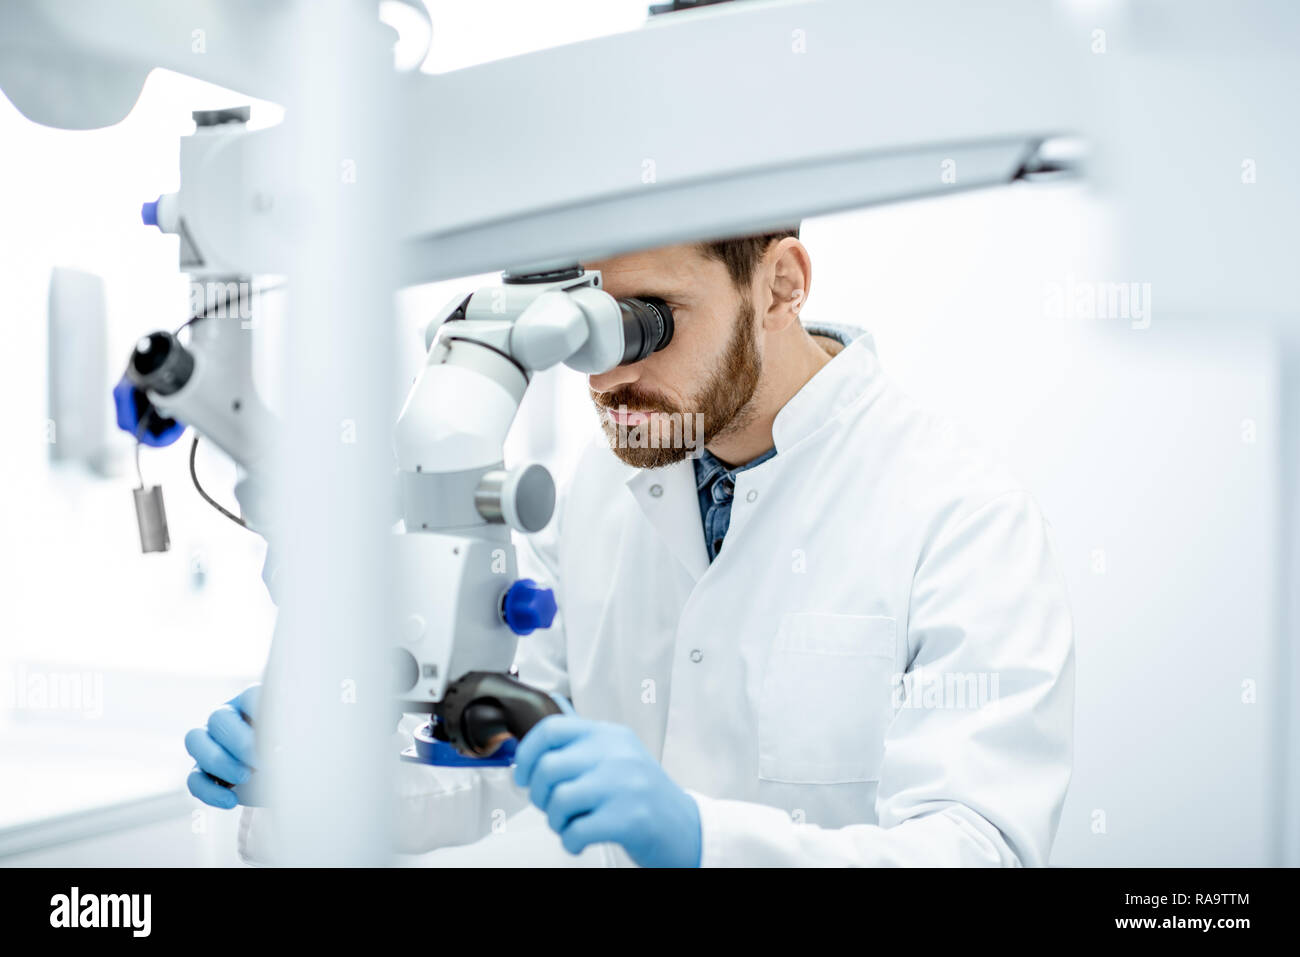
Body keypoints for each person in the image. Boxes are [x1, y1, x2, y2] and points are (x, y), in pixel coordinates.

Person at [188, 226, 1075, 867]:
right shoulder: (603, 482)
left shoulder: (963, 517)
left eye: (649, 321)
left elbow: (979, 848)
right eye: (585, 330)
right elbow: (499, 767)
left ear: (780, 284)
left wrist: (705, 844)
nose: (609, 377)